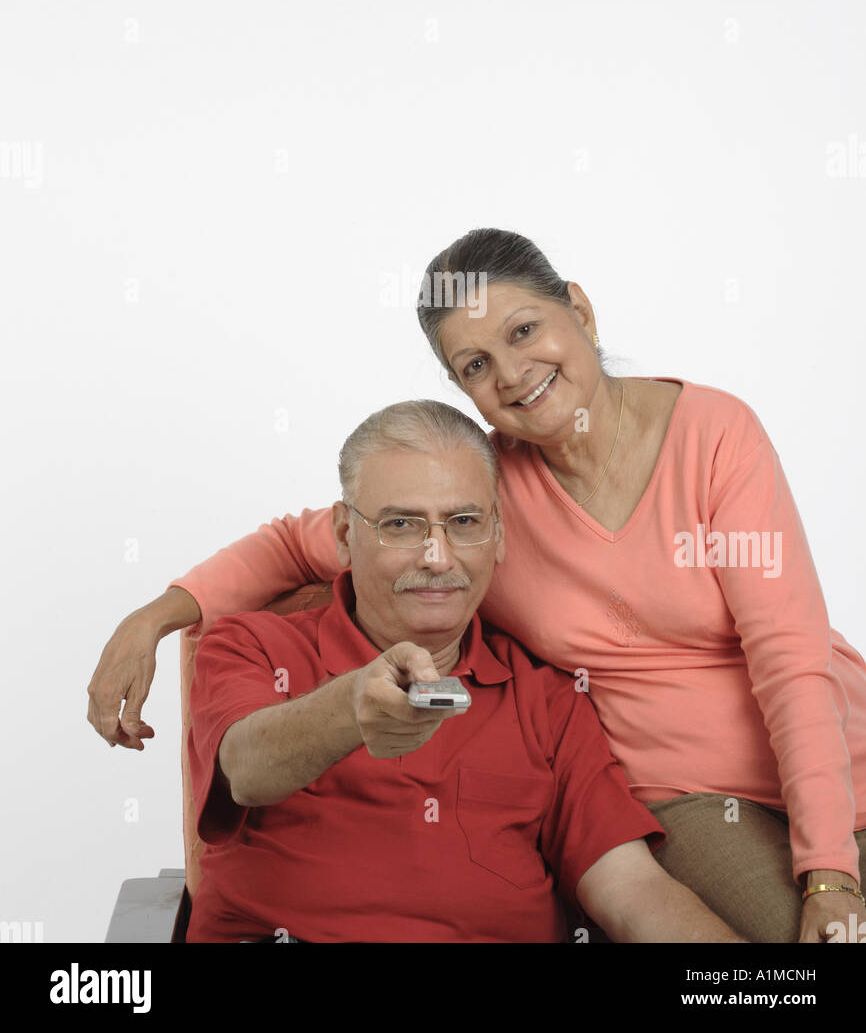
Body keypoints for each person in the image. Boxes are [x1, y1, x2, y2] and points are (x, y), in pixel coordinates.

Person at [88, 228, 866, 943]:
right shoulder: (476, 507)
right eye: (475, 365)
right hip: (690, 796)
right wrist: (156, 616)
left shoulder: (713, 436)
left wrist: (828, 869)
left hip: (834, 747)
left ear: (581, 310)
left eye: (523, 330)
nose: (513, 373)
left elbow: (789, 661)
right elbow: (301, 546)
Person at [186, 400, 747, 943]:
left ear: (498, 535)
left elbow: (631, 890)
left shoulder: (547, 699)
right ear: (342, 535)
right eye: (401, 524)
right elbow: (246, 769)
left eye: (463, 522)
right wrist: (351, 705)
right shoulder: (252, 646)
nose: (437, 557)